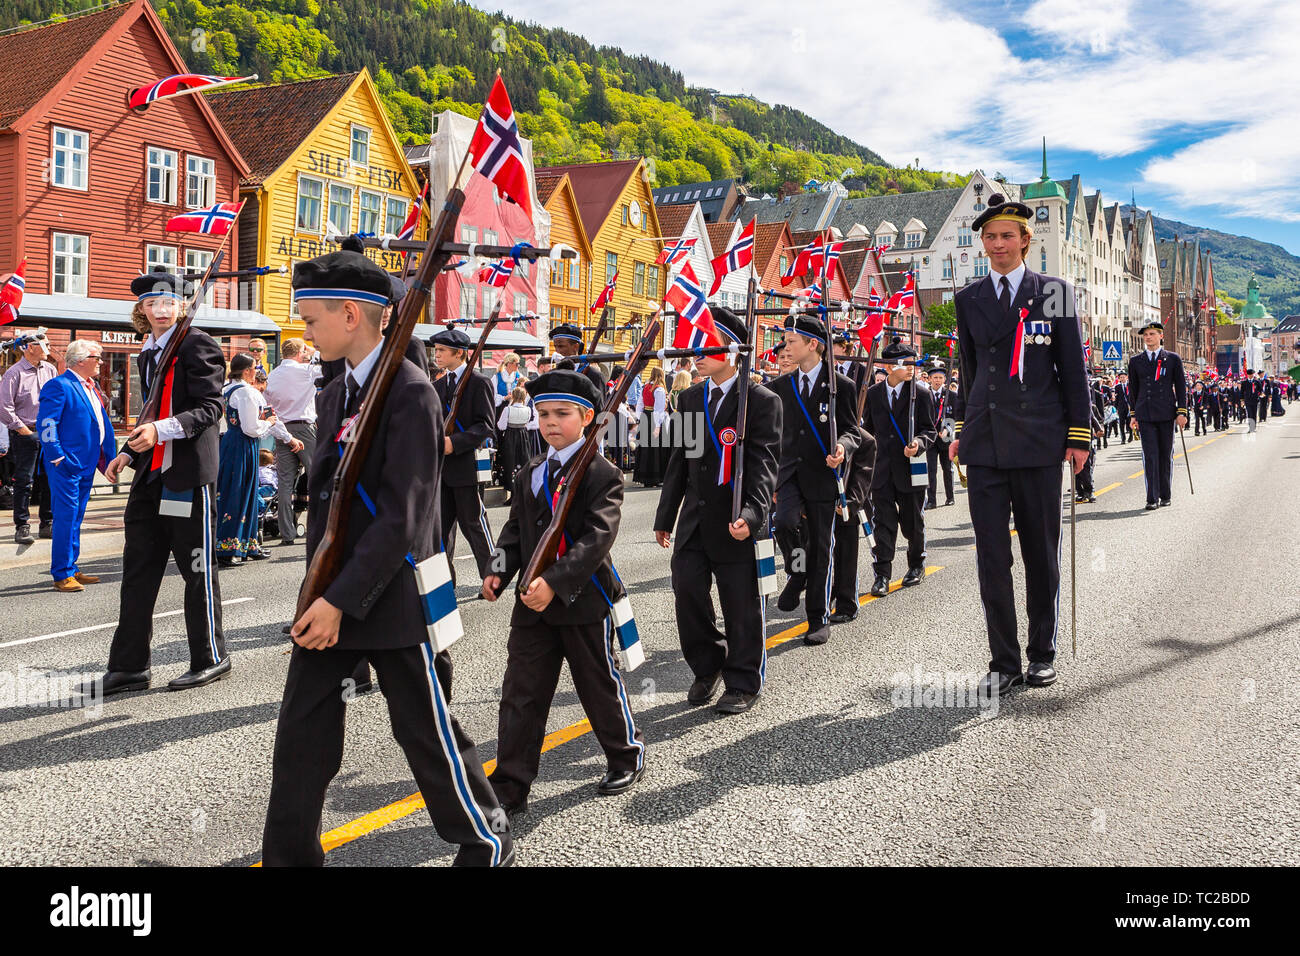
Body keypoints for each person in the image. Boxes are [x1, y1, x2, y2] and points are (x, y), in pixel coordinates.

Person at [263, 244, 511, 868]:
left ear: (351, 315)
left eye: (312, 319)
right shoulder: (337, 388)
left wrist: (341, 602)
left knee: (423, 732)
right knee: (302, 737)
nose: (306, 332)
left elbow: (404, 516)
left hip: (389, 592)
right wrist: (323, 593)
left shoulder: (409, 391)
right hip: (331, 589)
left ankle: (483, 837)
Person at [482, 369, 645, 816]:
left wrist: (554, 584)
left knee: (596, 683)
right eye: (542, 413)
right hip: (530, 602)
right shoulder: (532, 470)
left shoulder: (601, 472)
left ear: (587, 416)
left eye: (561, 413)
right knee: (521, 692)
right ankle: (510, 784)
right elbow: (515, 529)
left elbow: (598, 538)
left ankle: (624, 754)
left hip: (580, 597)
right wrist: (498, 571)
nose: (550, 422)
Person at [949, 193, 1091, 697]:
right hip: (985, 442)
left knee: (1039, 553)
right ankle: (1003, 661)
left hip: (1038, 440)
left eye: (1007, 236)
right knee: (991, 558)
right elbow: (967, 370)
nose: (998, 244)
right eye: (989, 237)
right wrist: (960, 426)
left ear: (1026, 241)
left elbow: (1072, 370)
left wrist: (1080, 433)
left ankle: (1041, 654)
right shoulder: (968, 299)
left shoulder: (1053, 292)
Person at [97, 269, 229, 695]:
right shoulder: (146, 352)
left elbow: (211, 408)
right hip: (151, 474)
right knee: (137, 570)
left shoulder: (198, 343)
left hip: (187, 477)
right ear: (142, 310)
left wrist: (160, 431)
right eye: (151, 303)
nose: (159, 310)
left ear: (183, 306)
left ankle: (211, 657)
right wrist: (128, 451)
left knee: (196, 569)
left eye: (167, 302)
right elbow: (151, 412)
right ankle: (130, 666)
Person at [654, 306, 782, 714]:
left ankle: (743, 679)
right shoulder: (690, 397)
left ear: (733, 351)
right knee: (687, 590)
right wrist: (665, 516)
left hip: (737, 519)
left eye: (707, 345)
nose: (696, 353)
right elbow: (681, 459)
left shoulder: (761, 400)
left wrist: (754, 513)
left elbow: (764, 465)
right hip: (694, 519)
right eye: (695, 345)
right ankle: (707, 664)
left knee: (740, 602)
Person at [768, 315, 859, 646]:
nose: (786, 347)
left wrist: (842, 447)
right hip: (789, 474)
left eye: (793, 342)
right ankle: (798, 571)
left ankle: (818, 617)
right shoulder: (779, 387)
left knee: (821, 547)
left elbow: (853, 431)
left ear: (813, 345)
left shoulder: (840, 387)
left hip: (823, 475)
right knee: (783, 522)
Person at [37, 339, 116, 591]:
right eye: (97, 358)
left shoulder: (89, 386)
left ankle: (71, 566)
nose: (100, 362)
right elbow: (47, 424)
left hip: (86, 463)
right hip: (67, 464)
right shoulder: (59, 385)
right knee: (66, 517)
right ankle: (61, 573)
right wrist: (58, 457)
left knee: (76, 517)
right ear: (81, 360)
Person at [862, 338, 935, 597]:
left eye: (914, 363)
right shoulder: (873, 394)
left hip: (911, 466)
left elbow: (930, 430)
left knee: (912, 521)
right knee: (883, 523)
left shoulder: (921, 393)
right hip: (882, 469)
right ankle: (882, 573)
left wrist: (919, 442)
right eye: (906, 363)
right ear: (889, 366)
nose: (912, 368)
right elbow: (867, 431)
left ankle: (916, 564)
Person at [217, 352, 298, 565]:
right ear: (247, 371)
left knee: (241, 492)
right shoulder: (247, 393)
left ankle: (249, 543)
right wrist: (270, 424)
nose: (258, 372)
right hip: (243, 445)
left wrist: (287, 437)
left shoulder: (226, 389)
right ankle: (229, 548)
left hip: (230, 443)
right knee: (238, 493)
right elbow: (252, 428)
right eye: (256, 369)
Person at [430, 327, 496, 581]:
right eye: (436, 350)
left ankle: (492, 577)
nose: (437, 355)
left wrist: (454, 443)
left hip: (466, 464)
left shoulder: (479, 383)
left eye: (442, 351)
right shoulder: (437, 385)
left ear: (459, 353)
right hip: (442, 469)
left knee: (475, 526)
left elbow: (485, 425)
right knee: (440, 530)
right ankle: (445, 581)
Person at [0, 329, 57, 544]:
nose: (49, 349)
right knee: (24, 480)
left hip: (48, 432)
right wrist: (24, 430)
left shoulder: (50, 370)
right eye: (46, 345)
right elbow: (4, 408)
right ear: (31, 348)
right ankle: (22, 526)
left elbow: (56, 400)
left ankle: (47, 523)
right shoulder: (14, 373)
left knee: (50, 478)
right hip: (25, 433)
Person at [1126, 321, 1188, 510]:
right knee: (1150, 456)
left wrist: (1182, 411)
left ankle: (1165, 494)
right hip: (1145, 413)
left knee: (1165, 455)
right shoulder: (1136, 361)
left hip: (1166, 413)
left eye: (1151, 334)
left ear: (1160, 336)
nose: (1148, 338)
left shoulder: (1172, 358)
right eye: (1145, 335)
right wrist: (1133, 414)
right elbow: (1133, 390)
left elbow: (1180, 386)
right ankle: (1151, 498)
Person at [264, 337, 317, 546]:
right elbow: (330, 364)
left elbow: (267, 409)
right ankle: (319, 528)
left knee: (285, 483)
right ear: (300, 352)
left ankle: (287, 533)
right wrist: (312, 351)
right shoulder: (307, 371)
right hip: (304, 426)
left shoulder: (272, 375)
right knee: (317, 477)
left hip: (281, 428)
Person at [495, 385, 538, 501]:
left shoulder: (508, 409)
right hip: (523, 437)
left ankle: (512, 492)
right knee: (523, 462)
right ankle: (520, 492)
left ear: (513, 396)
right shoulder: (528, 409)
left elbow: (501, 425)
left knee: (510, 463)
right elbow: (529, 423)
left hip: (510, 437)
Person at [924, 363, 955, 509]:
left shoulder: (951, 395)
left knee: (947, 468)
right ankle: (931, 500)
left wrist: (948, 429)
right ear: (929, 379)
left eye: (940, 377)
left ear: (945, 379)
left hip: (946, 437)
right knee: (931, 470)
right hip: (931, 437)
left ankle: (950, 497)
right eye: (935, 377)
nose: (937, 380)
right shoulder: (924, 394)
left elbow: (955, 415)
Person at [633, 365, 669, 487]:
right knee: (655, 449)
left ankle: (644, 477)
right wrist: (658, 425)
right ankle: (655, 477)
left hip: (645, 417)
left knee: (646, 447)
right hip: (655, 418)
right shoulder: (659, 389)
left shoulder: (645, 387)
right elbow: (658, 409)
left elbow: (640, 404)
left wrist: (640, 417)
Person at [548, 323, 606, 393]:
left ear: (576, 347)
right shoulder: (552, 374)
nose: (557, 351)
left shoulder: (592, 374)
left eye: (561, 346)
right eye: (555, 346)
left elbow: (599, 403)